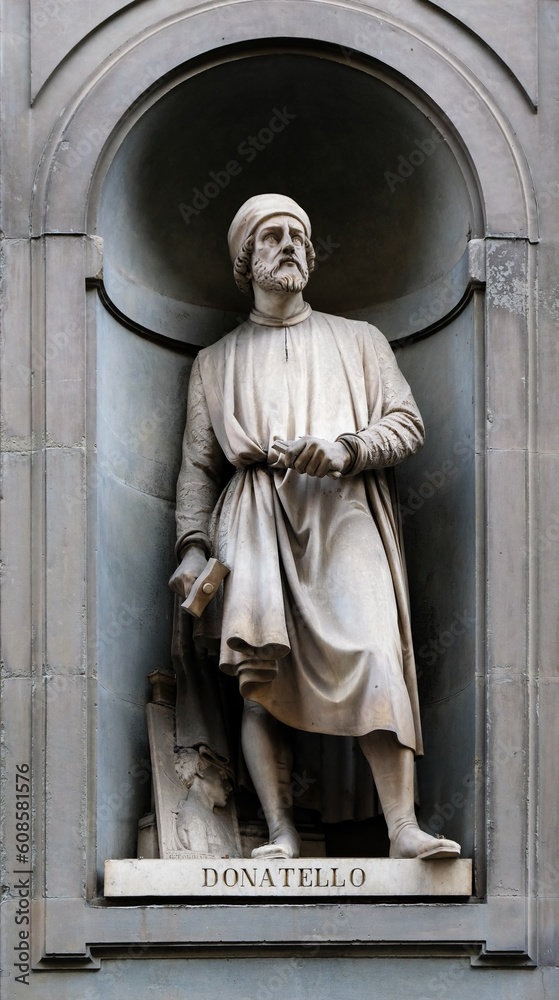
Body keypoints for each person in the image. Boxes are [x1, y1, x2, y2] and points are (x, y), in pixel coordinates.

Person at [169, 193, 460, 861]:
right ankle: (281, 835)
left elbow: (405, 424)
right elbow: (196, 466)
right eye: (271, 237)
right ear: (246, 259)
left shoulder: (358, 339)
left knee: (374, 655)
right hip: (253, 512)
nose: (290, 245)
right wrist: (192, 547)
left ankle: (401, 829)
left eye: (298, 234)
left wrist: (347, 448)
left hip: (341, 509)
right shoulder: (214, 360)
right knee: (257, 676)